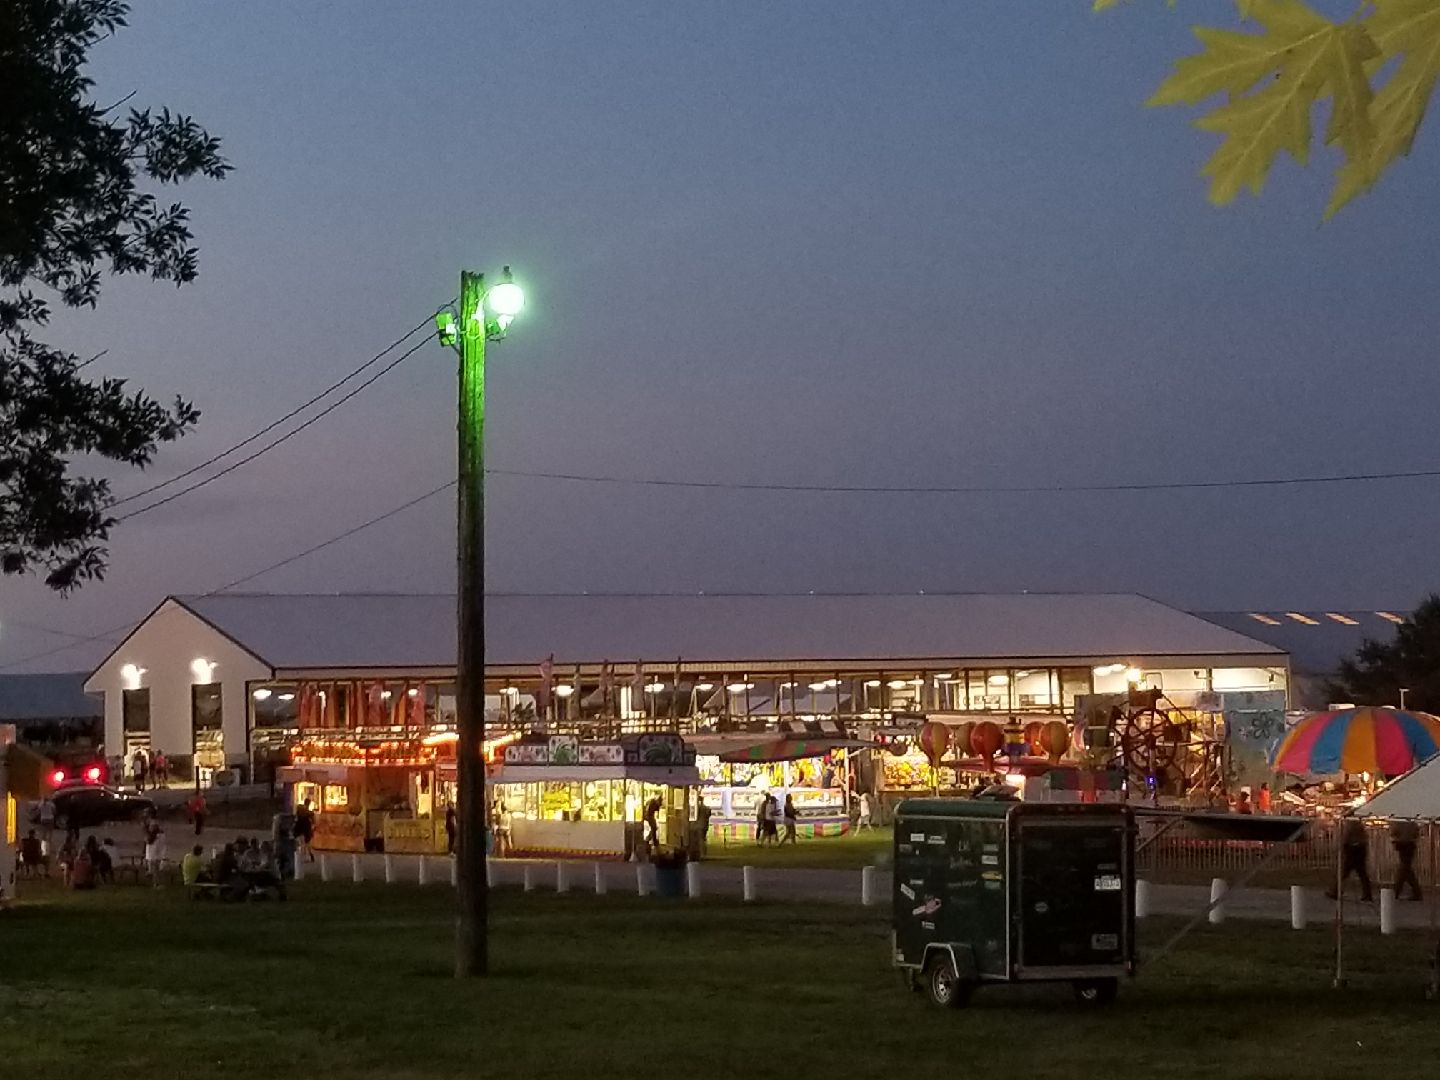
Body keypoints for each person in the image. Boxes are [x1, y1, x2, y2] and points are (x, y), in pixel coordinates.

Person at [1327, 816, 1373, 902]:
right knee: (1361, 873)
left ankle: (1335, 891)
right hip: (1360, 848)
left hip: (1352, 849)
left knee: (1344, 872)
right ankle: (1367, 894)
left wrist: (1342, 844)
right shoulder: (1359, 824)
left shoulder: (1351, 823)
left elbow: (1346, 835)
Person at [1391, 819, 1424, 901]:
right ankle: (1416, 892)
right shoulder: (1412, 820)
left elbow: (1394, 832)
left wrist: (1395, 838)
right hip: (1410, 844)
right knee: (1406, 869)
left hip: (1402, 844)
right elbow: (1416, 832)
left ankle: (1396, 891)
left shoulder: (1398, 820)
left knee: (1404, 869)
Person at [143, 817, 165, 887]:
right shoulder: (160, 836)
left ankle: (151, 879)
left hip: (150, 856)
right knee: (156, 871)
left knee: (153, 870)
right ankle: (156, 884)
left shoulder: (148, 836)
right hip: (156, 855)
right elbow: (160, 846)